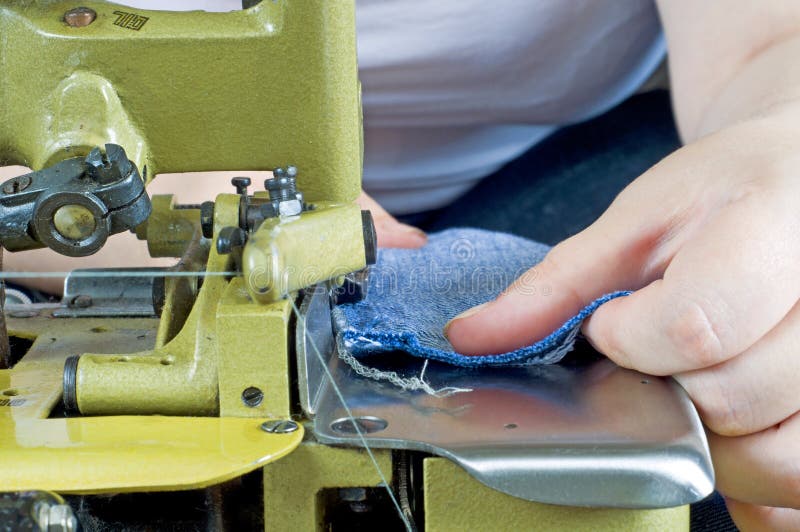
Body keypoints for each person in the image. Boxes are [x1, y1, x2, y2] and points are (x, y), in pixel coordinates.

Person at [4, 1, 798, 529]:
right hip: (78, 201)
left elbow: (766, 41)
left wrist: (781, 147)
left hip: (547, 159)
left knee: (690, 451)